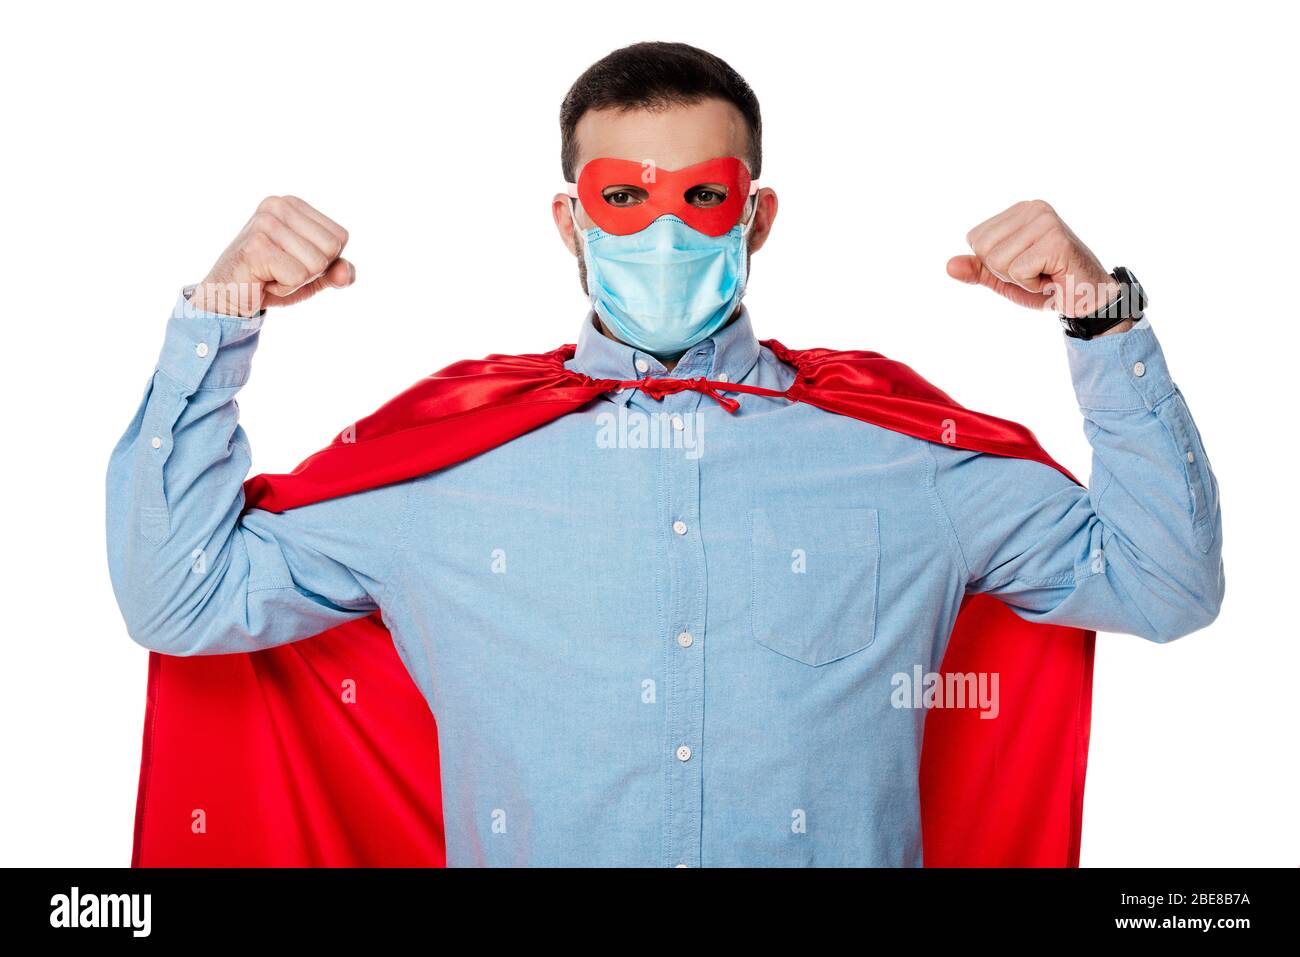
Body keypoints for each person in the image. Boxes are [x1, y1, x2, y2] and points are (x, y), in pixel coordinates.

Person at [106, 41, 1224, 867]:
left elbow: (1163, 586)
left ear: (759, 214)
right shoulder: (441, 469)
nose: (666, 228)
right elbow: (182, 599)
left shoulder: (903, 456)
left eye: (702, 195)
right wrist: (221, 316)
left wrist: (1101, 319)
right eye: (624, 198)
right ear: (568, 220)